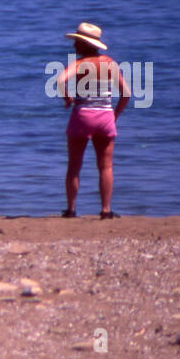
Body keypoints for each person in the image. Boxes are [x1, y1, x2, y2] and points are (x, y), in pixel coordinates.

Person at [55, 22, 131, 218]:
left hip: (82, 115)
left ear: (83, 44)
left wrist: (67, 99)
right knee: (106, 166)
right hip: (105, 116)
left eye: (77, 42)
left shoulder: (79, 64)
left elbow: (60, 81)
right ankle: (106, 210)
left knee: (74, 166)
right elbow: (126, 93)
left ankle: (71, 209)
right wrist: (114, 115)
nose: (74, 46)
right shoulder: (110, 63)